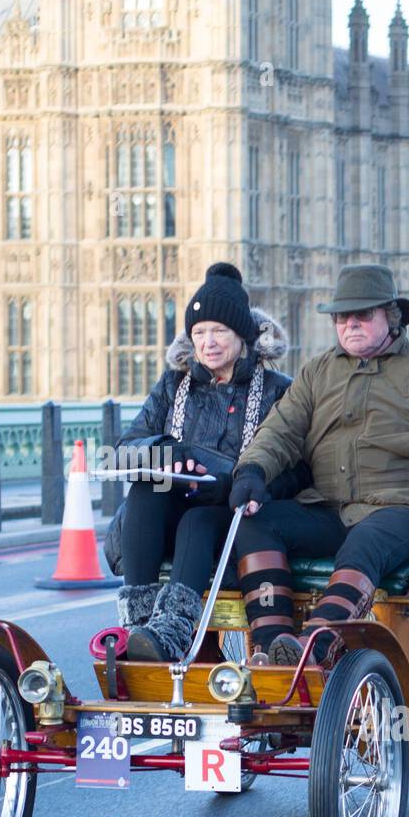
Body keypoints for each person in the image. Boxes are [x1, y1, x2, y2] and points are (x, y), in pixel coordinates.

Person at [226, 264, 409, 671]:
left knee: (364, 541)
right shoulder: (318, 372)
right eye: (341, 317)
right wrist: (252, 471)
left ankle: (316, 645)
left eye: (362, 315)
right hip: (329, 507)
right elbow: (280, 430)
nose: (350, 324)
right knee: (255, 522)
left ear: (392, 317)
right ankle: (271, 649)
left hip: (405, 509)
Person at [104, 262, 309, 662]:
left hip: (234, 518)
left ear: (243, 337)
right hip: (172, 510)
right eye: (199, 333)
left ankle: (175, 629)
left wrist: (246, 483)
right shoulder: (172, 385)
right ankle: (141, 628)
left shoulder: (278, 391)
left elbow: (302, 469)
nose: (208, 342)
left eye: (219, 331)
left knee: (197, 521)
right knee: (146, 491)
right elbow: (124, 450)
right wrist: (168, 451)